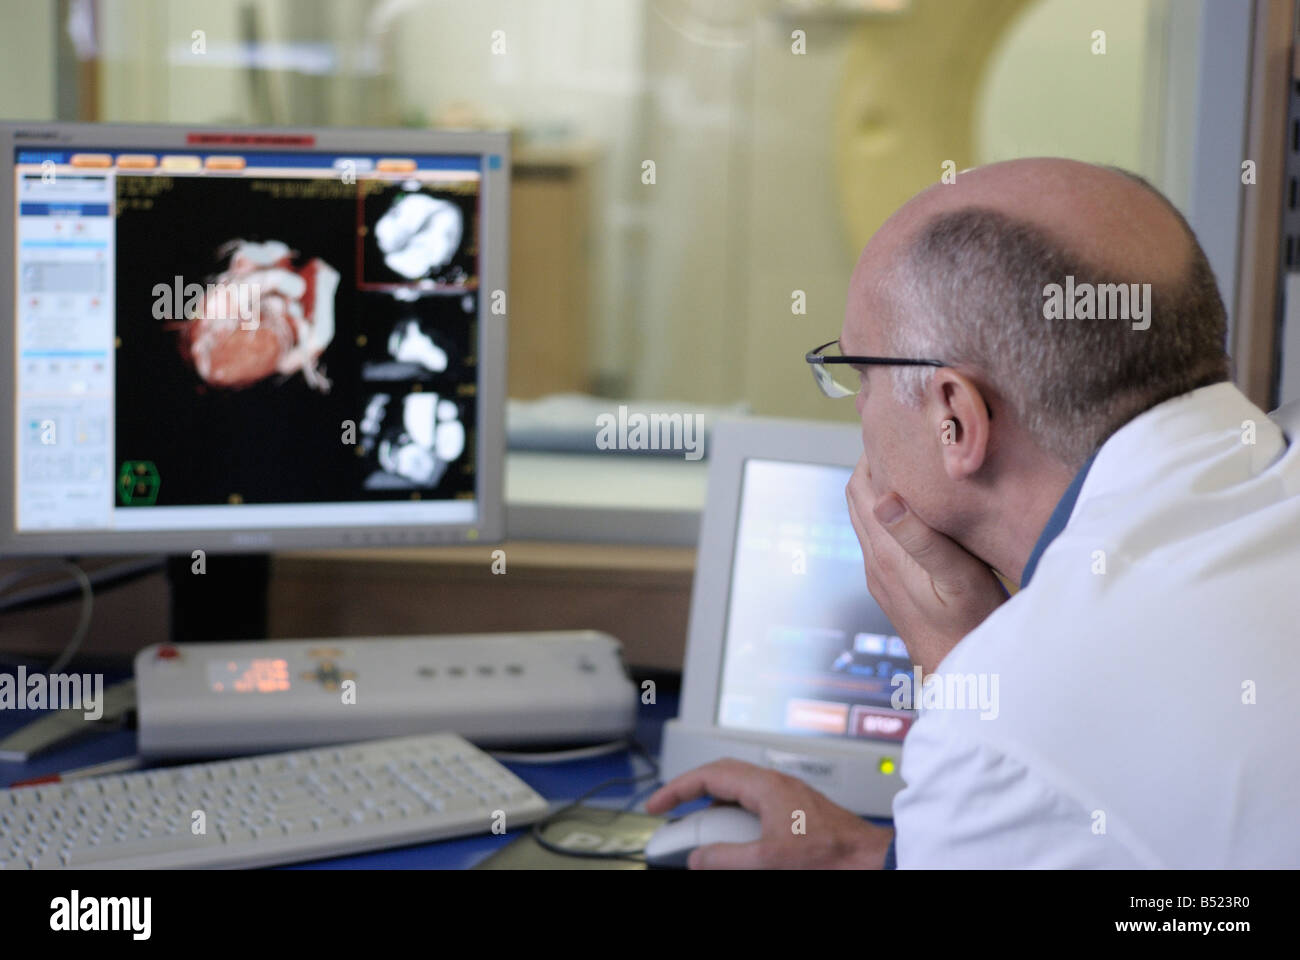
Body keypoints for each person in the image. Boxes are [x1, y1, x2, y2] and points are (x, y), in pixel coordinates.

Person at [645, 158, 1300, 868]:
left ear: (956, 419)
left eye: (860, 373)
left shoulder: (1009, 731)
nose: (860, 405)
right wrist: (866, 855)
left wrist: (970, 679)